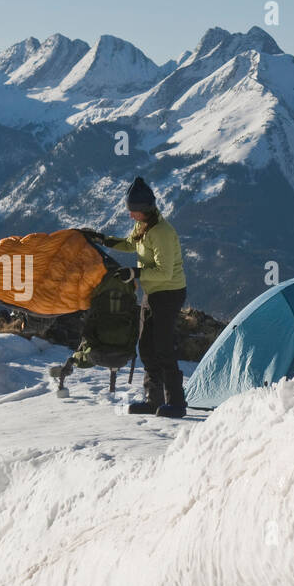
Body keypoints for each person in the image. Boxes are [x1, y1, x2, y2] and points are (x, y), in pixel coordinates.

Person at [99, 177, 188, 417]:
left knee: (163, 346)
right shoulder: (143, 227)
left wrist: (135, 272)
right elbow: (131, 244)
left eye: (134, 211)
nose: (131, 216)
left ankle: (177, 403)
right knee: (146, 346)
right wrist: (104, 240)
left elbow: (165, 272)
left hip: (169, 292)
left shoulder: (161, 232)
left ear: (145, 209)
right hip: (152, 292)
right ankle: (153, 399)